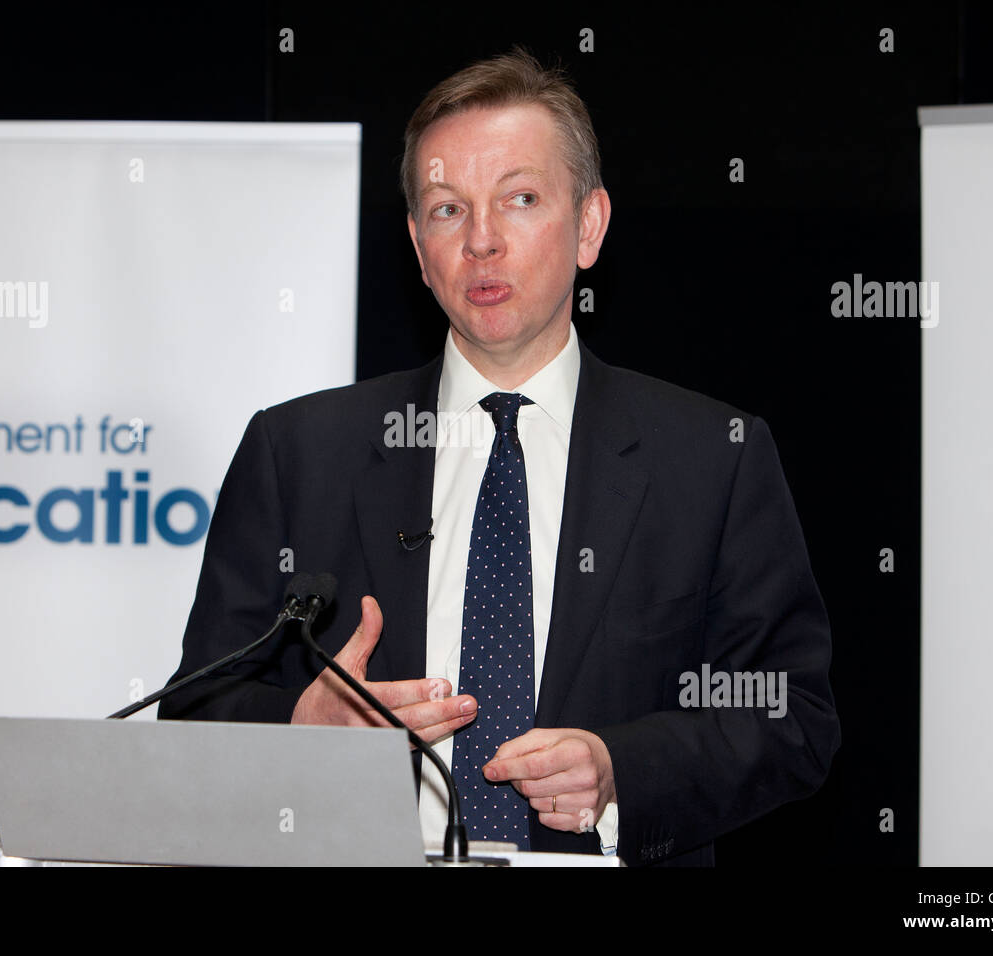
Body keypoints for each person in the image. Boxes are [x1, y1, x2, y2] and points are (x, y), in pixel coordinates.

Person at [159, 47, 840, 866]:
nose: (482, 242)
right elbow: (196, 711)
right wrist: (305, 727)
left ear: (589, 225)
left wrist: (623, 769)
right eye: (448, 210)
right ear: (417, 244)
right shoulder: (298, 452)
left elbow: (792, 716)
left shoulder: (713, 459)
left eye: (519, 200)